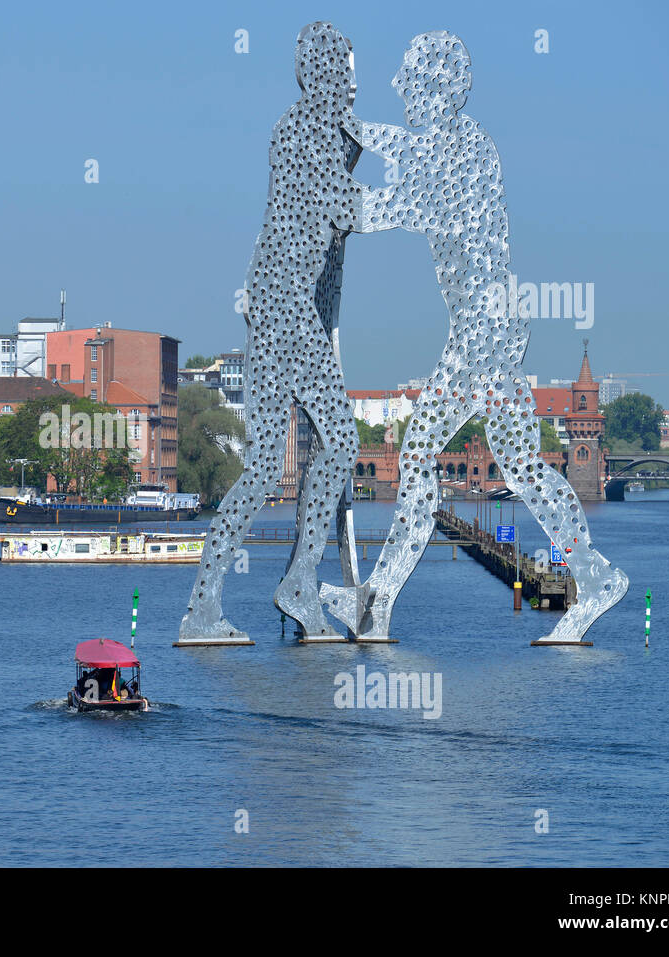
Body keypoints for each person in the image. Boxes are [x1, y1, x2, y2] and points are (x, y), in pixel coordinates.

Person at [322, 31, 627, 642]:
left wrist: (331, 201)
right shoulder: (459, 142)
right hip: (490, 327)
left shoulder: (460, 153)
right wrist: (354, 127)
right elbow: (407, 148)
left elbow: (396, 206)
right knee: (517, 466)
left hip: (483, 333)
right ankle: (592, 576)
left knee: (419, 457)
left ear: (436, 88)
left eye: (408, 79)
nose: (399, 88)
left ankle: (377, 604)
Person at [179, 21, 362, 643]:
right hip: (284, 310)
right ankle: (249, 595)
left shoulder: (310, 131)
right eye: (346, 74)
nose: (354, 88)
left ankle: (275, 590)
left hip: (287, 310)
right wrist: (423, 199)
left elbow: (332, 232)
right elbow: (346, 210)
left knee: (295, 455)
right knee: (319, 446)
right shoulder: (305, 129)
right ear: (320, 74)